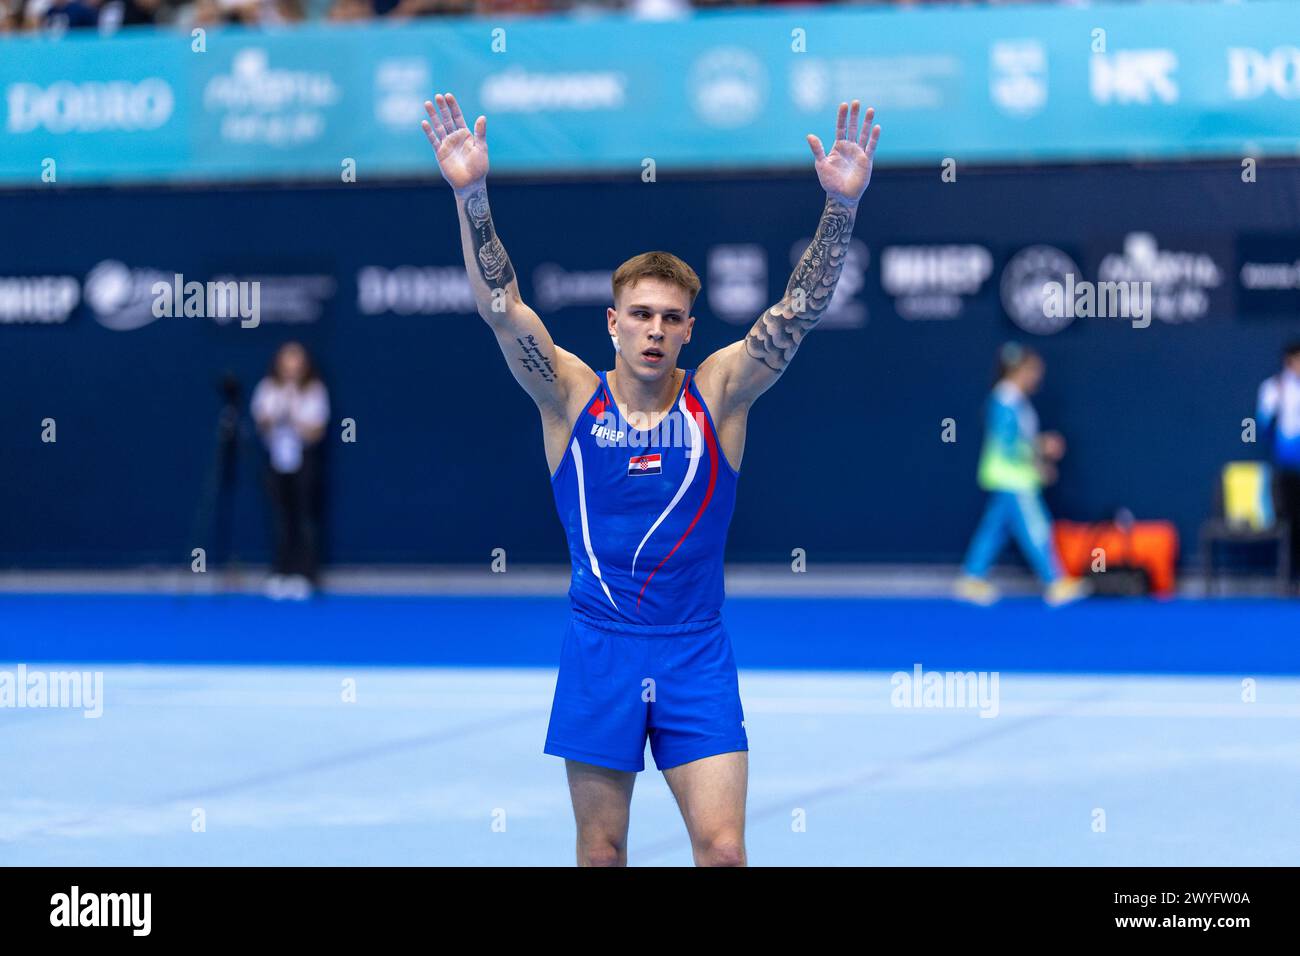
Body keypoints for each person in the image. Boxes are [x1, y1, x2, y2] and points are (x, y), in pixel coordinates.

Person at [423, 91, 880, 866]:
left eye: (671, 318)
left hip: (694, 652)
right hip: (599, 650)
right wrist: (471, 194)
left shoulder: (718, 394)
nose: (655, 330)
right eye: (640, 314)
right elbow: (503, 310)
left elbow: (793, 318)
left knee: (725, 851)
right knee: (602, 853)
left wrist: (840, 209)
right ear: (613, 322)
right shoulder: (568, 396)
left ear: (690, 330)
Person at [955, 343, 1088, 607]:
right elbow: (1009, 445)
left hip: (1014, 477)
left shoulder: (1013, 400)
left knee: (994, 529)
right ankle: (1055, 581)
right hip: (1013, 478)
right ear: (1020, 370)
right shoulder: (1005, 401)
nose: (1037, 378)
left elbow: (1019, 440)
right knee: (1037, 528)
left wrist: (1038, 452)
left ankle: (971, 577)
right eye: (1034, 371)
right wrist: (1041, 454)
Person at [251, 342, 330, 600]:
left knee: (304, 518)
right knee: (281, 519)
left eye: (296, 361)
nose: (291, 367)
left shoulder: (314, 390)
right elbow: (261, 423)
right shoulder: (268, 388)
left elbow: (317, 430)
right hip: (276, 461)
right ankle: (281, 572)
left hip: (304, 461)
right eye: (287, 361)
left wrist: (294, 415)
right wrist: (276, 414)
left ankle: (305, 574)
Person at [1256, 341, 1300, 591]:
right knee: (1292, 521)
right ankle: (1292, 578)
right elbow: (1264, 426)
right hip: (1289, 469)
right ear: (1289, 361)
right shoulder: (1274, 388)